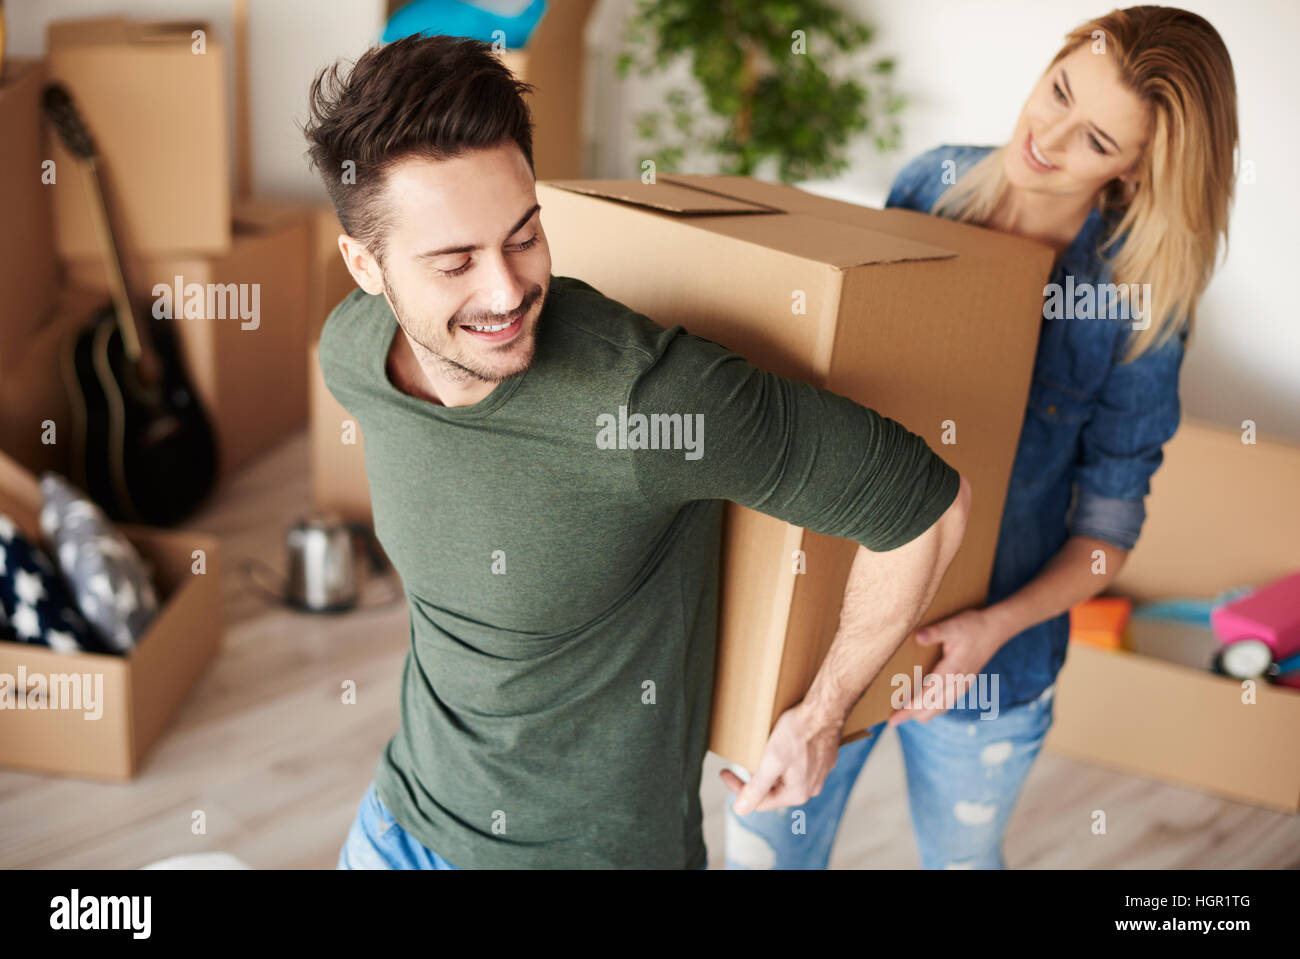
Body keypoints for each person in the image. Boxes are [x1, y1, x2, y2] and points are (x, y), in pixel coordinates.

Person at [307, 34, 971, 870]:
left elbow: (926, 506)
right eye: (454, 262)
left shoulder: (647, 402)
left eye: (523, 236)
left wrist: (824, 713)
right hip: (399, 824)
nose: (507, 291)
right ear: (367, 268)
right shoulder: (351, 354)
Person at [724, 5, 1239, 870]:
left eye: (1096, 141)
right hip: (838, 624)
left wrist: (992, 629)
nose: (1048, 137)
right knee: (762, 855)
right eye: (1060, 90)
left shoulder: (1134, 298)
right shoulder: (931, 183)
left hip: (994, 659)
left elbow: (1108, 539)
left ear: (1138, 169)